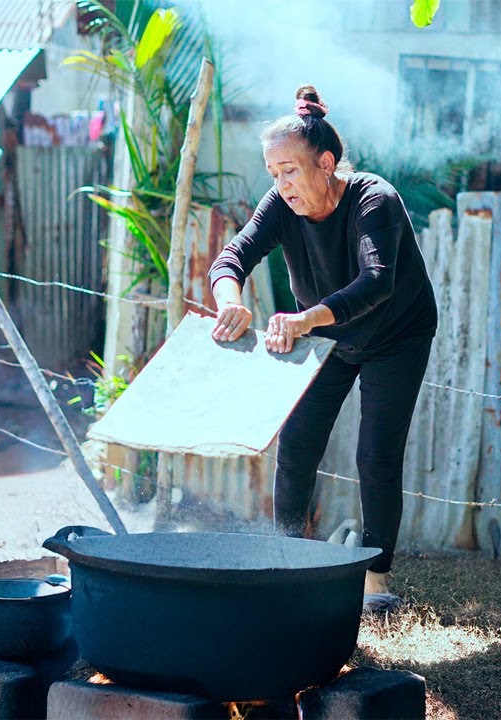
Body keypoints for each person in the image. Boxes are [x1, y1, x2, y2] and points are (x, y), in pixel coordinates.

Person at [208, 85, 437, 612]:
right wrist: (230, 300)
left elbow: (377, 282)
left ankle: (376, 581)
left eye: (290, 170)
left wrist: (303, 319)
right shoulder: (280, 205)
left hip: (396, 335)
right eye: (273, 174)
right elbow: (233, 255)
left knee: (376, 456)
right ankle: (286, 563)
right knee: (297, 445)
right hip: (326, 334)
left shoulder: (373, 199)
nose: (282, 184)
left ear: (326, 163)